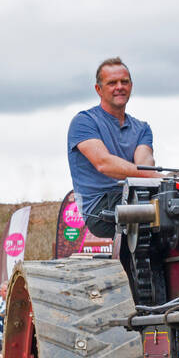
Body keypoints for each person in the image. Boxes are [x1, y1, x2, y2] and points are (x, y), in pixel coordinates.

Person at [67, 58, 155, 238]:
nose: (119, 87)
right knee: (157, 211)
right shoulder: (84, 122)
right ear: (98, 89)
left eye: (124, 82)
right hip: (100, 209)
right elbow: (104, 164)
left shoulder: (142, 128)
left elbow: (145, 165)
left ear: (131, 85)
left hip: (134, 196)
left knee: (178, 203)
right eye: (112, 83)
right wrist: (159, 177)